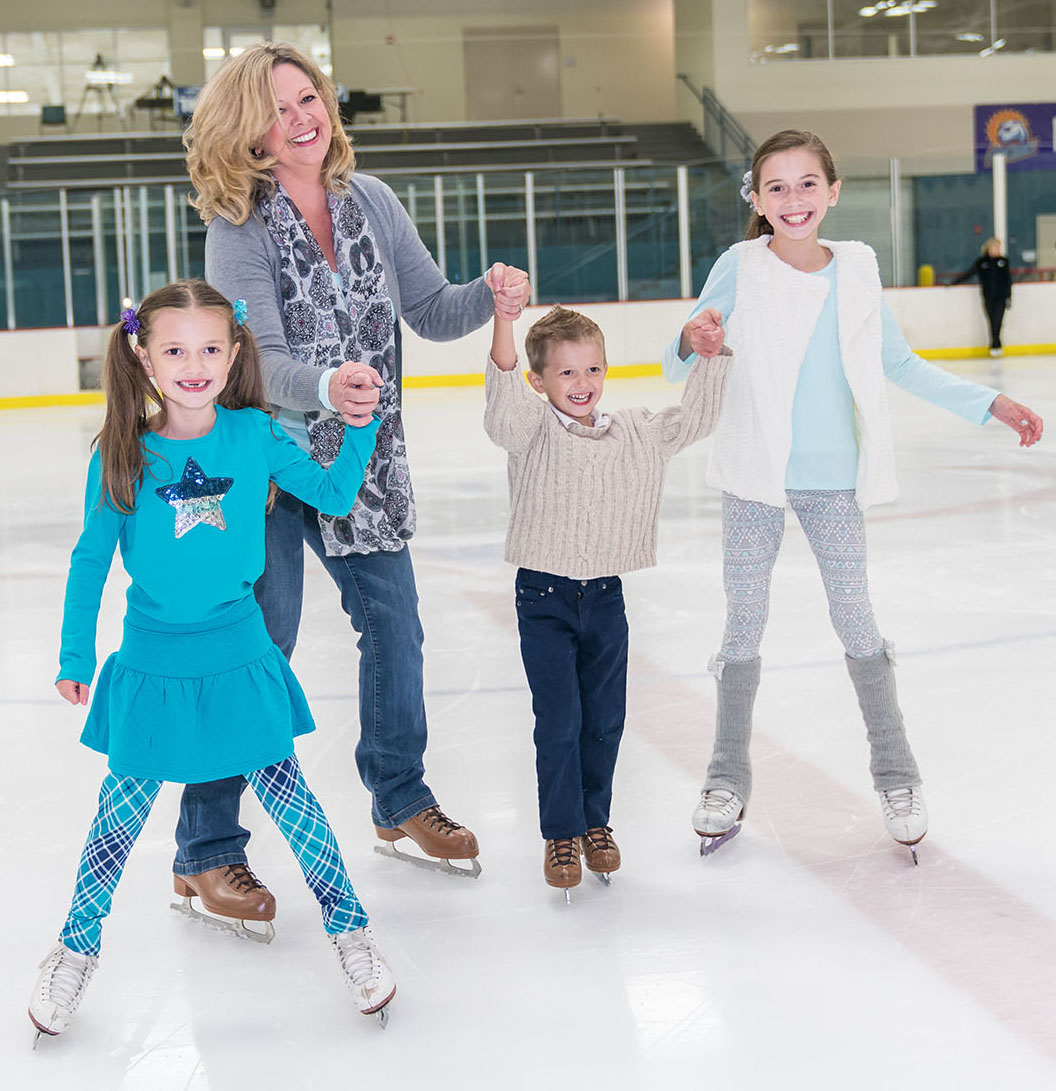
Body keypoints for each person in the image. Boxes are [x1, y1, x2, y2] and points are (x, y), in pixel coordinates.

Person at [179, 42, 532, 917]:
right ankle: (206, 848)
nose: (303, 117)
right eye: (279, 107)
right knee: (257, 647)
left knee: (395, 626)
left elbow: (430, 308)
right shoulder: (239, 227)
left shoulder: (369, 200)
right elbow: (252, 356)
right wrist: (329, 384)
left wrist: (489, 293)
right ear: (246, 131)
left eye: (310, 98)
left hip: (359, 461)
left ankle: (400, 797)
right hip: (263, 463)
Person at [29, 281, 397, 1041]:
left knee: (296, 808)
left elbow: (331, 491)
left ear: (233, 354)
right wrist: (75, 652)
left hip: (238, 656)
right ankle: (74, 948)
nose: (192, 364)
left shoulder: (254, 436)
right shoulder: (122, 453)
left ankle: (352, 932)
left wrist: (357, 423)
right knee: (116, 823)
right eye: (174, 349)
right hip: (151, 667)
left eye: (207, 349)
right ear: (144, 355)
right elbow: (90, 560)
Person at [662, 130, 1043, 862]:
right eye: (777, 187)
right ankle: (724, 777)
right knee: (743, 624)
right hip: (753, 476)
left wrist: (985, 403)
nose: (793, 199)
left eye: (808, 184)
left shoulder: (859, 268)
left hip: (832, 478)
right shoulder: (738, 265)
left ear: (833, 191)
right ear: (757, 197)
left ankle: (897, 774)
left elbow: (897, 362)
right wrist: (694, 338)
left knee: (857, 619)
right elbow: (677, 356)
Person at [484, 291, 732, 895]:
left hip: (604, 597)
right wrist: (505, 325)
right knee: (560, 719)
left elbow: (695, 421)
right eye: (566, 370)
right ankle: (561, 833)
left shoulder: (633, 432)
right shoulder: (533, 428)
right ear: (540, 381)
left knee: (605, 719)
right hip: (542, 595)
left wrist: (710, 355)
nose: (582, 381)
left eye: (592, 368)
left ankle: (597, 822)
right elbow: (502, 417)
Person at [952, 237, 1013, 357]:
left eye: (998, 248)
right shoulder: (982, 262)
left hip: (1000, 297)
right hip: (988, 296)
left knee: (998, 321)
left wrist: (1009, 296)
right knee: (991, 321)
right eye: (994, 247)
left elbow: (1008, 280)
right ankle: (995, 344)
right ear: (989, 248)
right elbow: (969, 274)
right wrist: (954, 283)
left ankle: (996, 344)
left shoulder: (1003, 261)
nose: (996, 250)